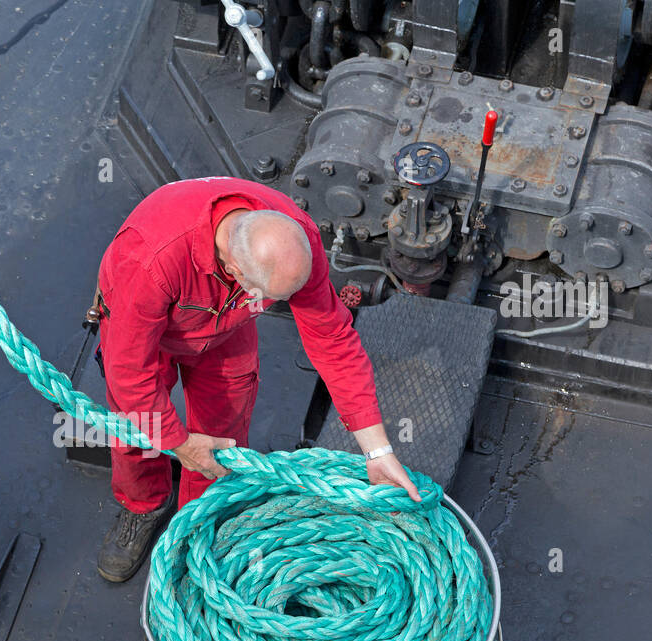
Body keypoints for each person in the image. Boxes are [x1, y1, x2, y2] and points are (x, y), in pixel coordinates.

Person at [94, 176, 419, 583]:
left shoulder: (295, 241)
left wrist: (377, 452)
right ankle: (143, 506)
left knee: (223, 433)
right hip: (146, 331)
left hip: (225, 327)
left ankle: (200, 522)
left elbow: (333, 340)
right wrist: (178, 444)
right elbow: (131, 378)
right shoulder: (148, 260)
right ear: (232, 268)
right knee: (135, 429)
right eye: (268, 297)